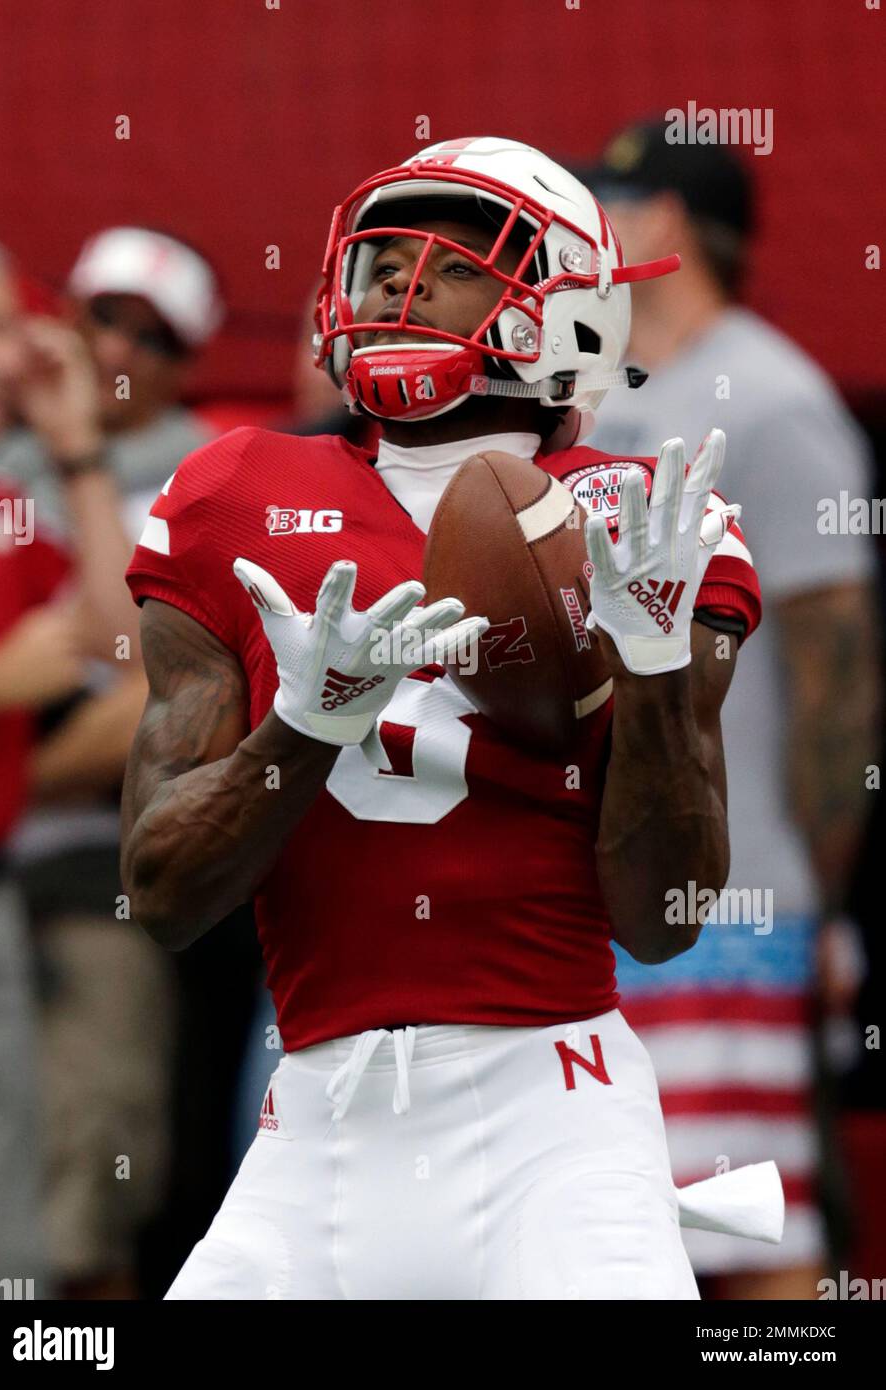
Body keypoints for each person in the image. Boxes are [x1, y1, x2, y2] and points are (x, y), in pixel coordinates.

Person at [121, 137, 771, 1301]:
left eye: (456, 261)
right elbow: (163, 893)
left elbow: (662, 915)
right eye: (380, 259)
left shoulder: (646, 516)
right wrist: (307, 727)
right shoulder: (232, 493)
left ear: (565, 308)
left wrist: (654, 654)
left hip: (553, 1119)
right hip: (312, 1114)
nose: (394, 284)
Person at [581, 121, 881, 1298]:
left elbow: (836, 686)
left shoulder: (772, 399)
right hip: (608, 892)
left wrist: (819, 909)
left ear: (658, 223)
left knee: (749, 1242)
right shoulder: (605, 393)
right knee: (616, 1240)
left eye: (605, 201)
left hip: (731, 900)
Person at [0, 227, 225, 1298]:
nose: (116, 346)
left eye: (151, 334)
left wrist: (75, 451)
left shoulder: (204, 474)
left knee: (59, 1226)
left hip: (67, 870)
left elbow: (135, 677)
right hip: (6, 858)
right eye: (99, 318)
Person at [0, 231, 129, 1291]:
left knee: (1, 1252)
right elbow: (21, 672)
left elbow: (122, 639)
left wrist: (76, 448)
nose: (14, 356)